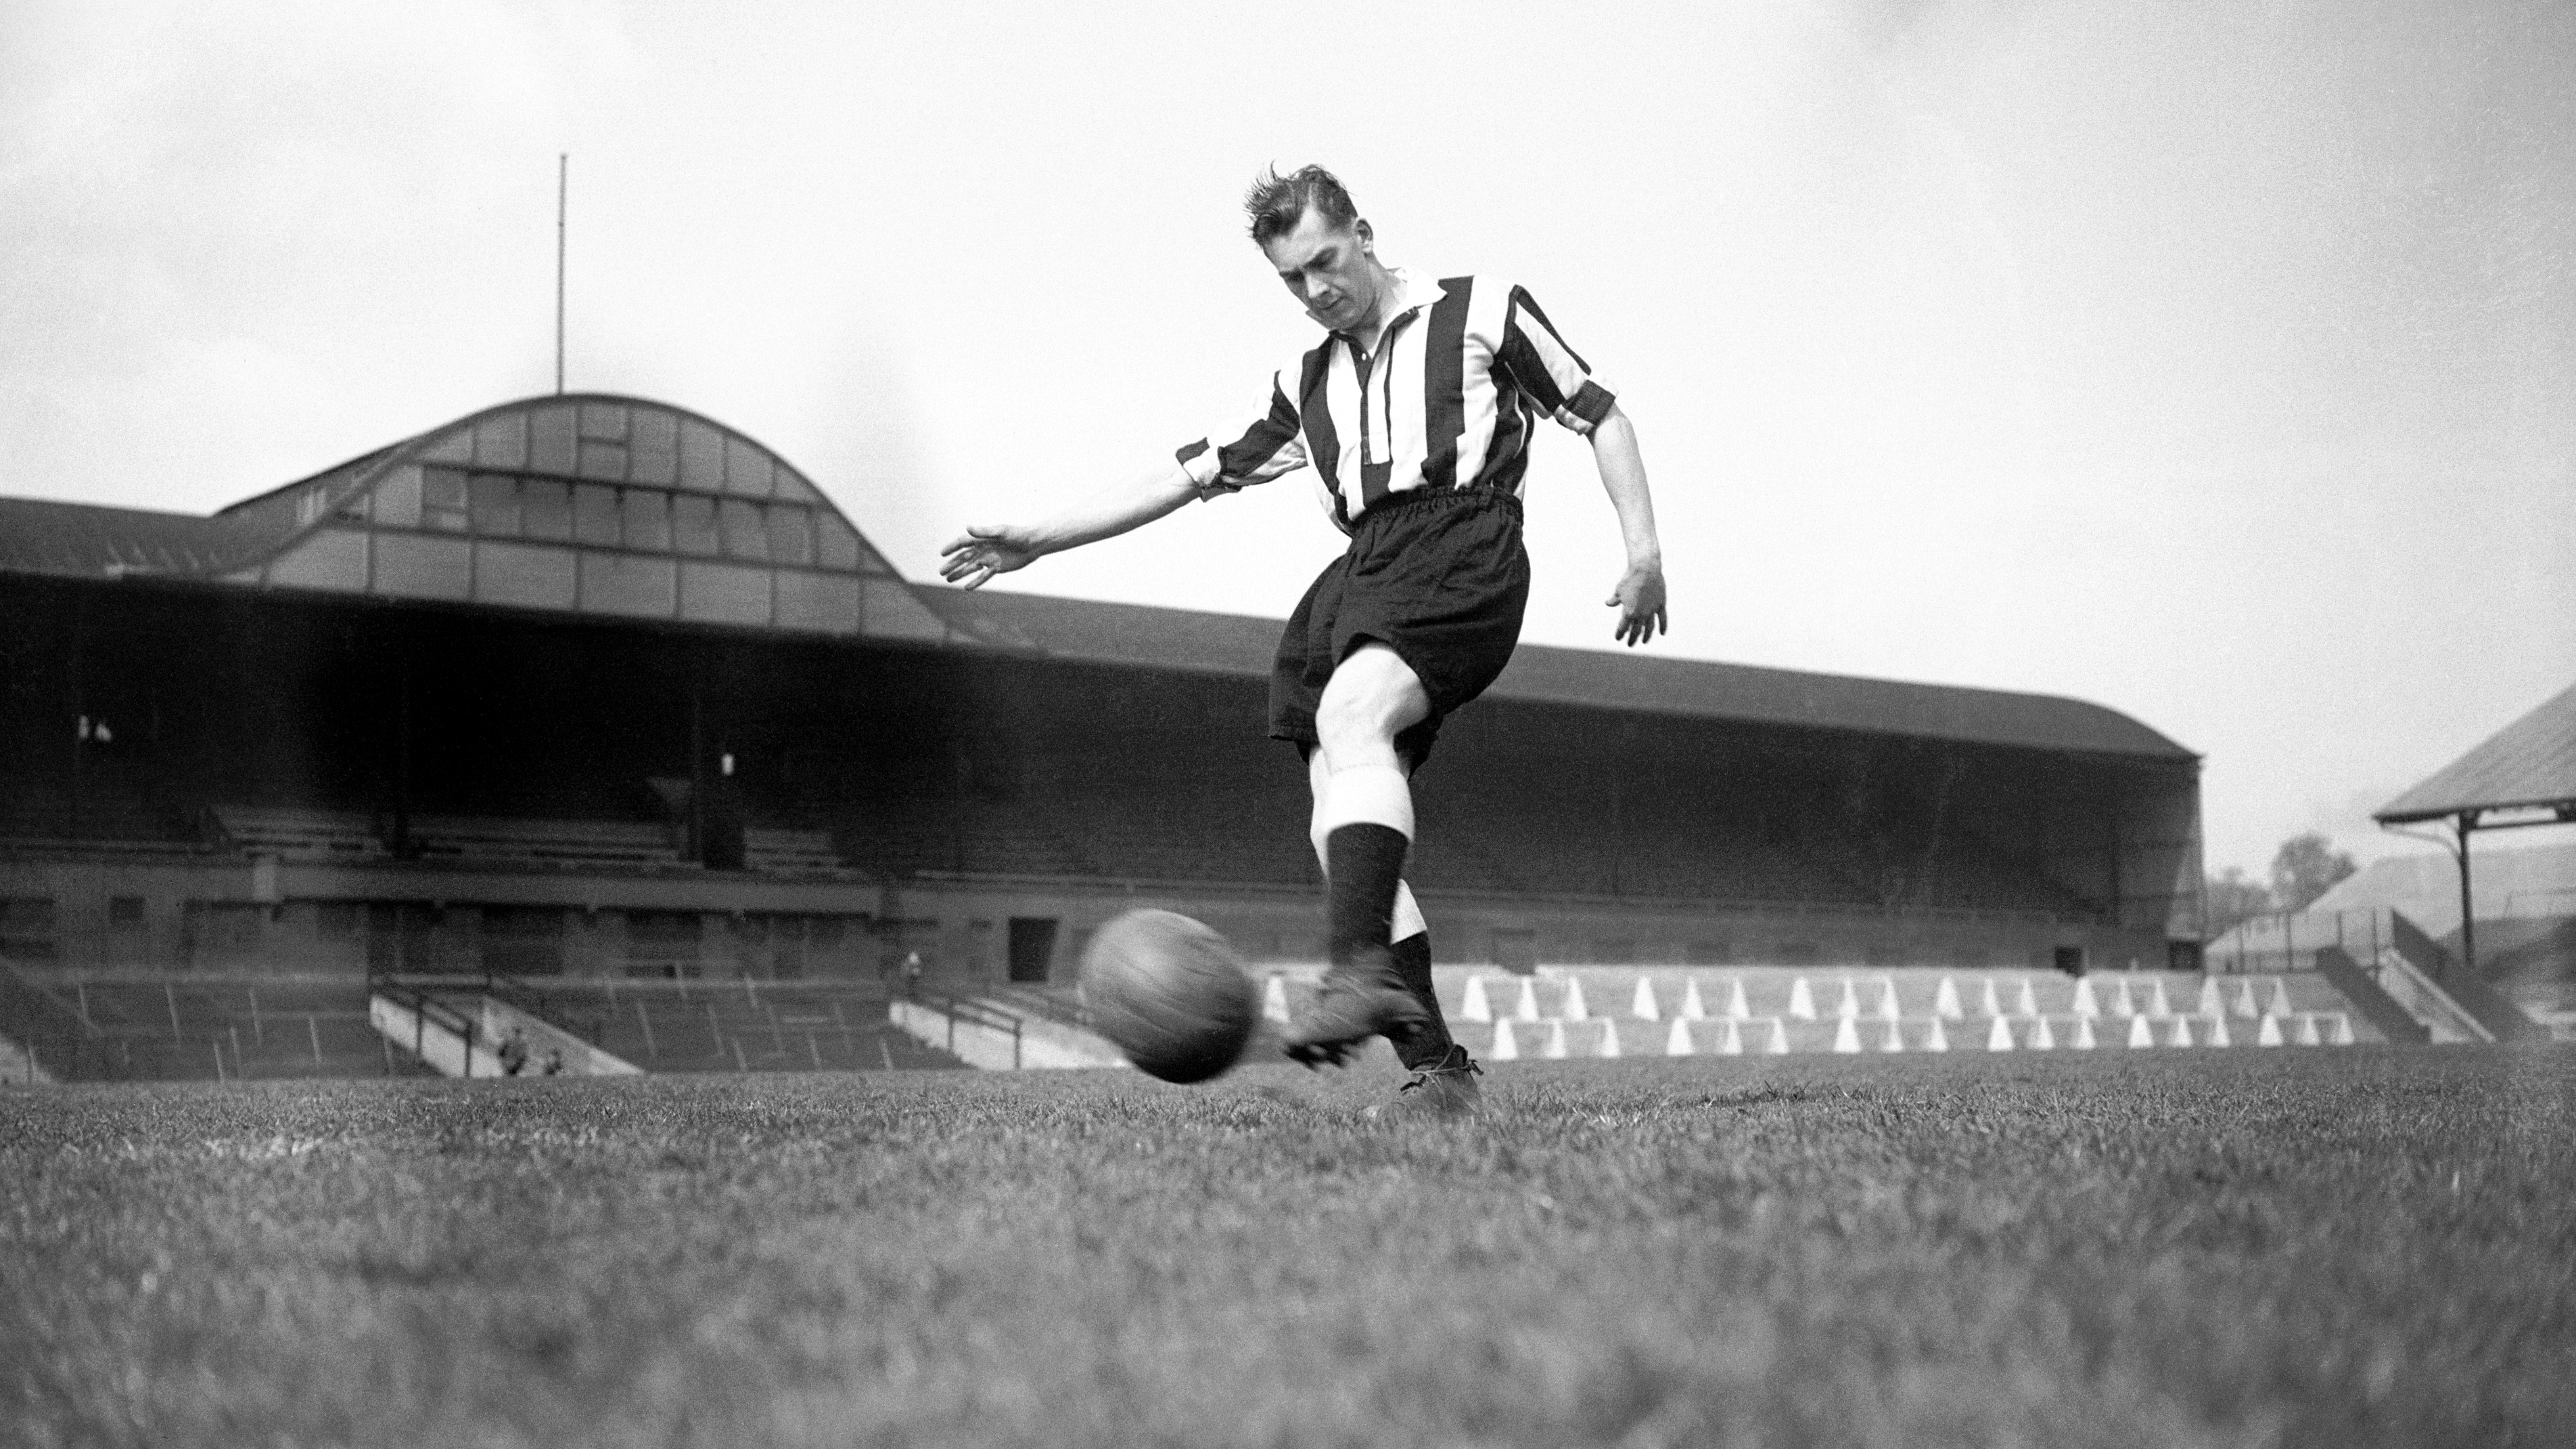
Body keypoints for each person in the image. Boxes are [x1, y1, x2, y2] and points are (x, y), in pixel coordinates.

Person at [941, 165, 1667, 1118]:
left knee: (1356, 711)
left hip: (1465, 539)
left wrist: (1644, 552)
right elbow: (1185, 472)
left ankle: (1355, 970)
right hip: (1365, 567)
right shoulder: (1304, 382)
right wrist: (1039, 536)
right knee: (1336, 810)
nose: (1317, 290)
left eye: (1326, 262)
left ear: (1363, 233)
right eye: (1293, 279)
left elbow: (1599, 412)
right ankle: (1438, 1070)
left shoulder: (1481, 310)